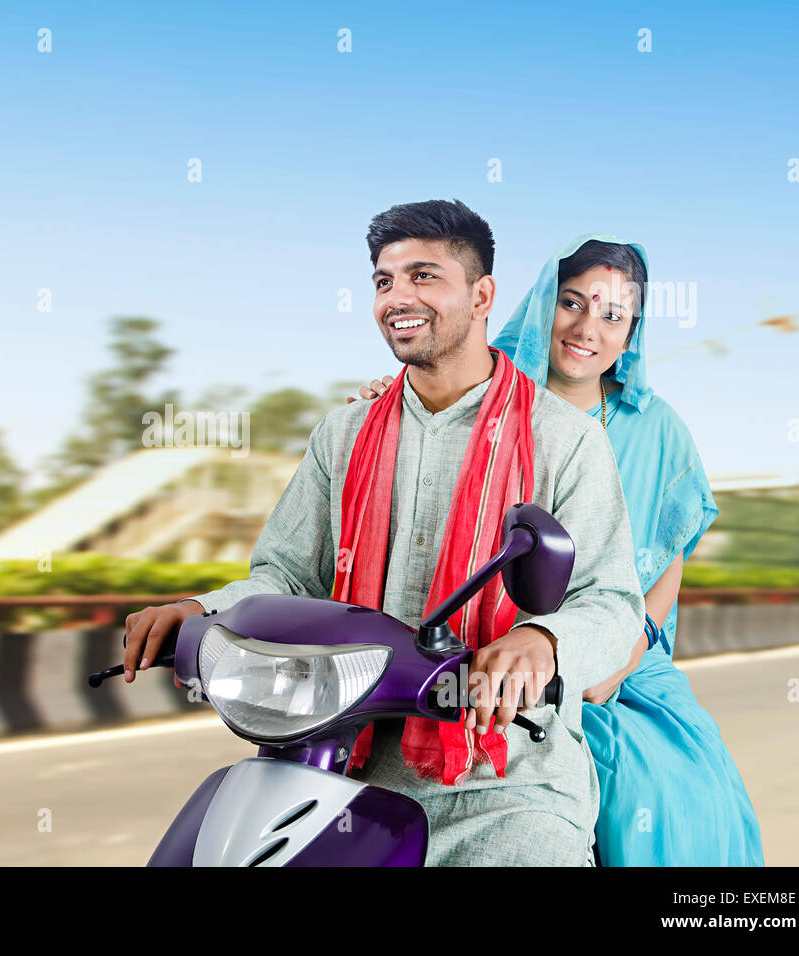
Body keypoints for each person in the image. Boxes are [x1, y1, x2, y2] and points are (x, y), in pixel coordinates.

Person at [121, 200, 645, 866]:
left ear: (482, 295)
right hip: (340, 765)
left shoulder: (565, 440)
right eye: (384, 281)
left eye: (424, 276)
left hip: (503, 787)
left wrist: (539, 639)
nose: (398, 297)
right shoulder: (343, 434)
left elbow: (613, 603)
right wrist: (203, 610)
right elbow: (284, 577)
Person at [354, 235, 765, 866]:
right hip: (475, 647)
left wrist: (615, 658)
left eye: (612, 316)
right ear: (543, 307)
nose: (585, 328)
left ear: (631, 336)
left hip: (620, 652)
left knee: (666, 787)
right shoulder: (484, 399)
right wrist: (393, 415)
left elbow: (668, 555)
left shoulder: (657, 429)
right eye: (571, 303)